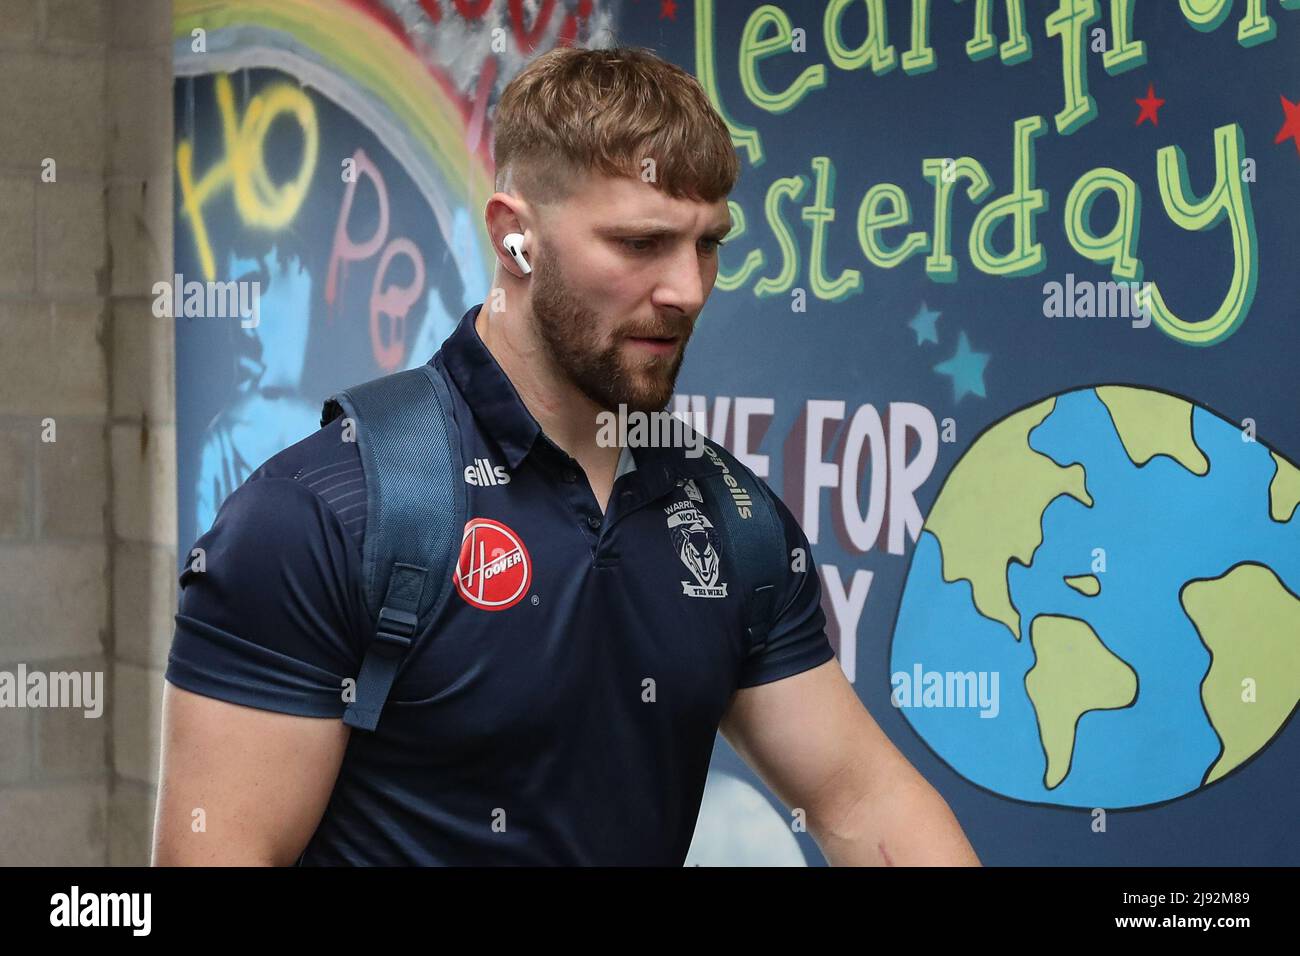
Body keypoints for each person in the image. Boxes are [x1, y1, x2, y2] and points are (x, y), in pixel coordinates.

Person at [153, 45, 980, 867]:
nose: (687, 290)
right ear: (517, 238)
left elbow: (866, 803)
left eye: (707, 244)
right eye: (640, 243)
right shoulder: (322, 514)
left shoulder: (733, 522)